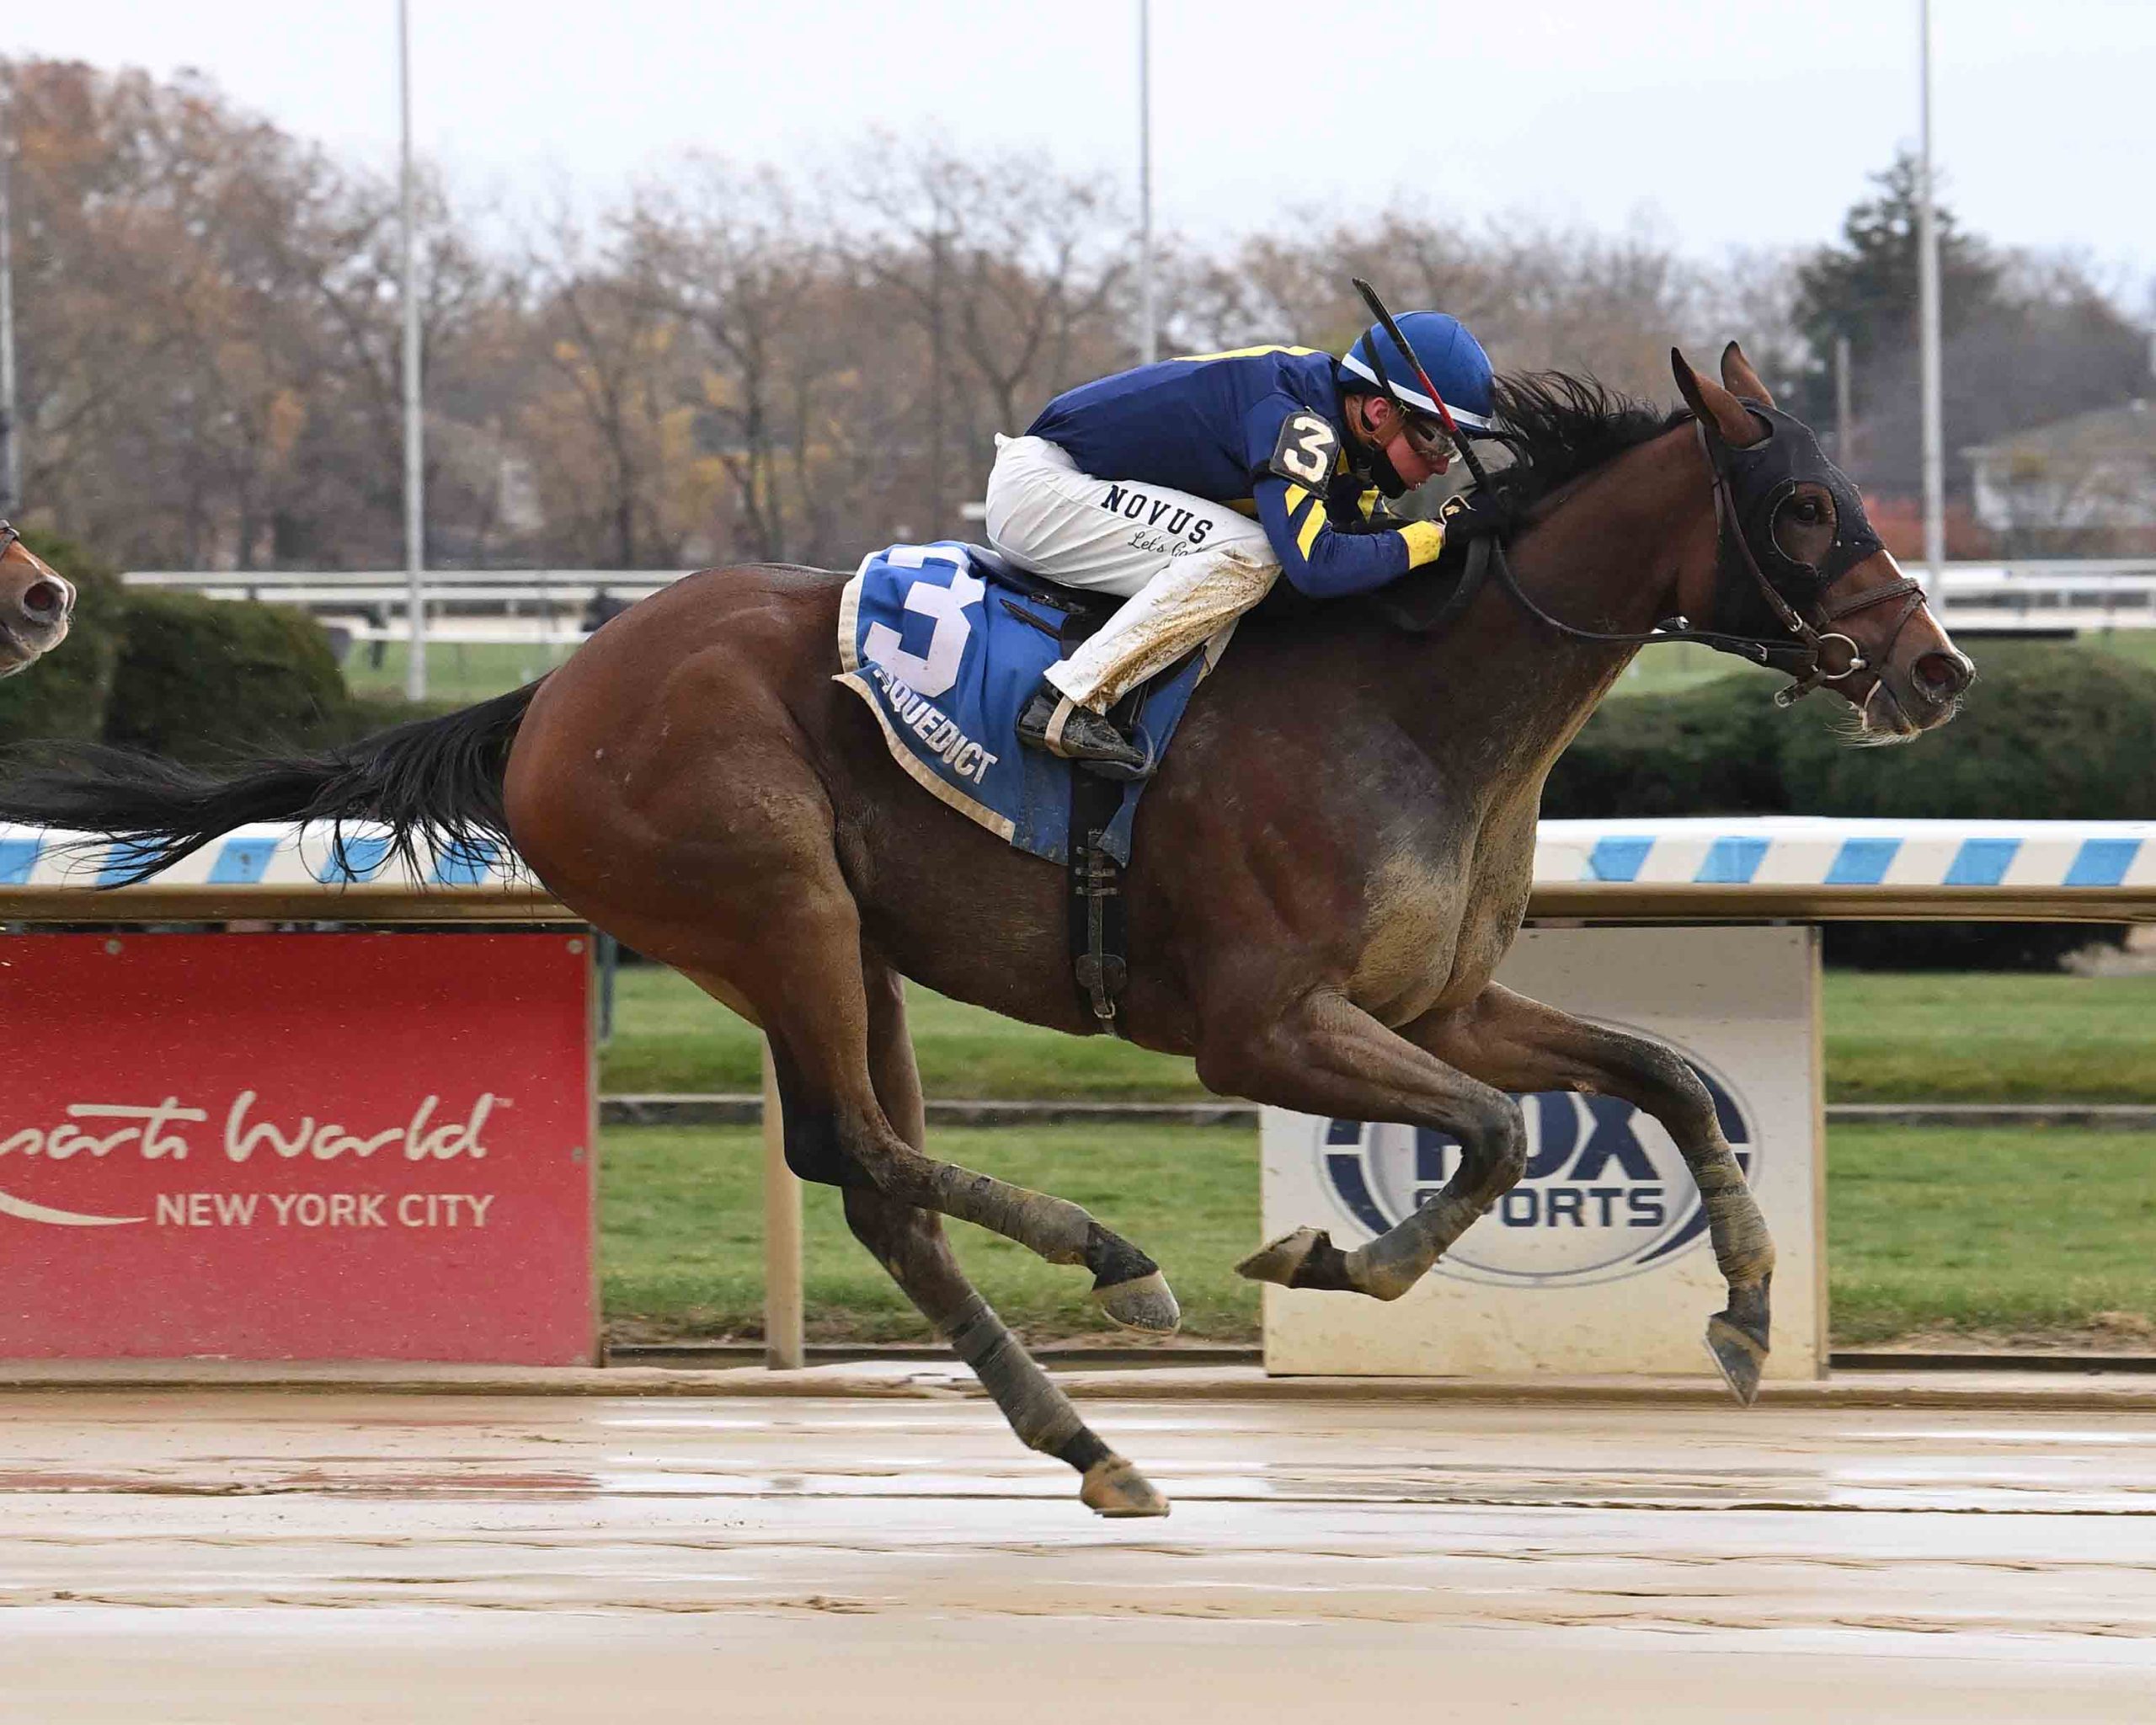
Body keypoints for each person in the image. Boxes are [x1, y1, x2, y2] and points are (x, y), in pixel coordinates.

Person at [985, 311, 1496, 777]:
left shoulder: (1341, 432)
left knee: (1256, 551)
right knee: (1254, 553)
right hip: (1044, 491)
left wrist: (1443, 534)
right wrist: (1440, 536)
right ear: (1380, 412)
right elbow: (1316, 565)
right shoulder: (1299, 421)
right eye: (1437, 440)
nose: (1443, 464)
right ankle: (1068, 702)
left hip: (1074, 488)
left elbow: (1366, 542)